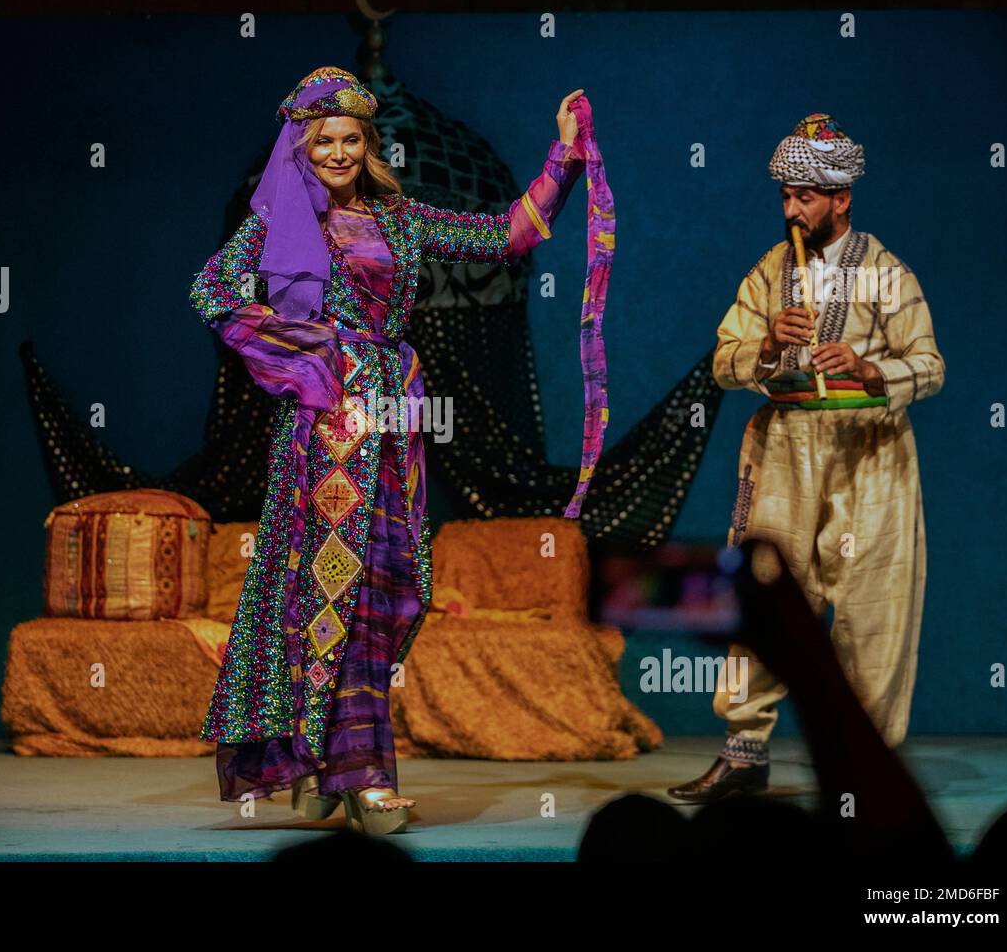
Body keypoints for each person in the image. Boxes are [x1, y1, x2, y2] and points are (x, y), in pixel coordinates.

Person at [190, 66, 589, 833]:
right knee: (339, 593)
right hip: (328, 430)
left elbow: (499, 236)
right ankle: (362, 773)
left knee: (395, 583)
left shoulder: (399, 218)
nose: (337, 152)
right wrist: (309, 352)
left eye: (349, 140)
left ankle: (331, 765)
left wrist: (562, 160)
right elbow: (212, 290)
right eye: (323, 142)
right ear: (302, 149)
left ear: (368, 144)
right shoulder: (277, 220)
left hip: (394, 419)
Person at [669, 113, 945, 802]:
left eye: (806, 197)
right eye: (787, 196)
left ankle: (866, 765)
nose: (792, 209)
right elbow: (725, 360)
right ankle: (743, 752)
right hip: (786, 448)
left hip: (869, 455)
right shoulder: (771, 271)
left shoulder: (886, 273)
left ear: (842, 197)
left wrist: (867, 365)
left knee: (871, 606)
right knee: (762, 593)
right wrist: (765, 344)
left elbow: (930, 367)